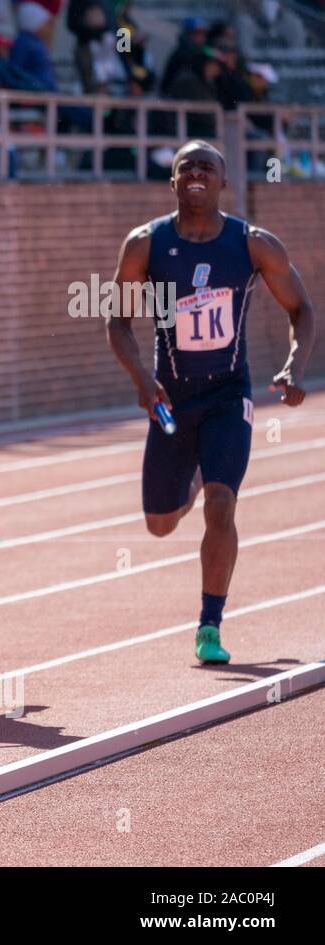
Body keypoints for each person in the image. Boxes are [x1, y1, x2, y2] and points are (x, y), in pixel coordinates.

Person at [106, 140, 315, 664]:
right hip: (171, 398)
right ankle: (194, 477)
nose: (196, 172)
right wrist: (140, 379)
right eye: (186, 166)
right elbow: (118, 322)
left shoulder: (253, 244)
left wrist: (294, 366)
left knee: (222, 505)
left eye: (208, 166)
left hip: (228, 394)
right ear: (172, 182)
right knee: (159, 522)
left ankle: (209, 624)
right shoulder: (144, 244)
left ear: (225, 182)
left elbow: (303, 309)